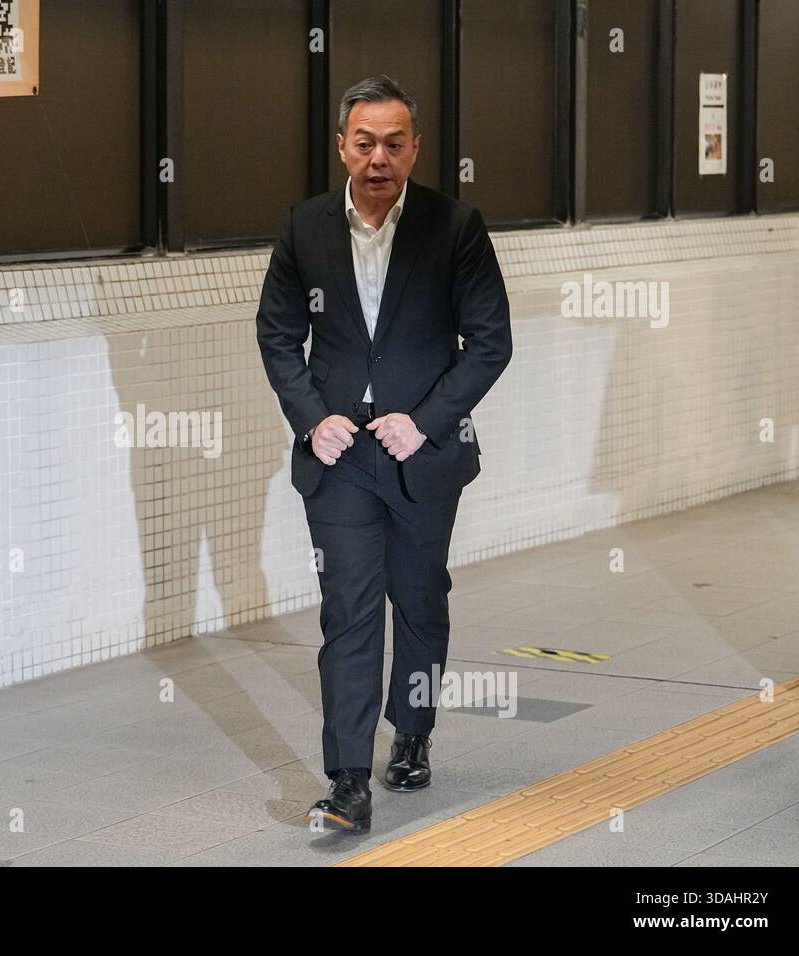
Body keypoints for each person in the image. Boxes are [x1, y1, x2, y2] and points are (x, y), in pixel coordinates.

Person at [255, 75, 512, 832]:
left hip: (421, 456)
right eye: (364, 143)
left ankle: (415, 730)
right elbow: (276, 334)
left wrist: (425, 422)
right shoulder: (304, 228)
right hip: (339, 460)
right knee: (350, 611)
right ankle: (346, 782)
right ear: (342, 145)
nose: (379, 158)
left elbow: (490, 341)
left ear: (415, 147)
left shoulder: (454, 226)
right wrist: (311, 418)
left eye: (394, 144)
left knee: (420, 601)